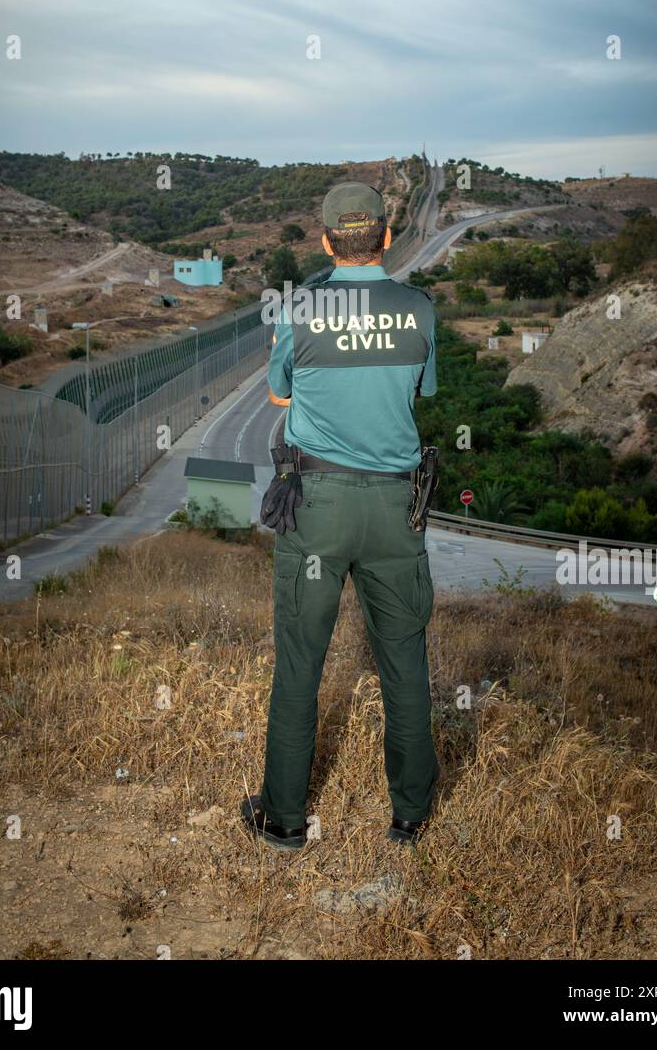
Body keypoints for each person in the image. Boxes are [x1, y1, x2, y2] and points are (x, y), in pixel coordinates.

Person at [241, 181, 439, 850]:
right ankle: (411, 816)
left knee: (299, 663)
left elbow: (277, 395)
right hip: (394, 507)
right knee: (405, 663)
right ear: (385, 236)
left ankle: (284, 820)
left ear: (325, 241)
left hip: (316, 505)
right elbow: (420, 390)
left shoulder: (297, 310)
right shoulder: (419, 309)